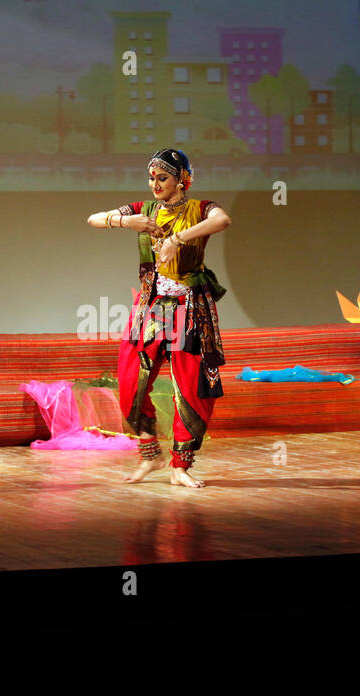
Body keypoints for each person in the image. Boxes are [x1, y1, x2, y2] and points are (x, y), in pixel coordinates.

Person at [85, 148, 232, 488]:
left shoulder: (199, 209)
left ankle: (180, 465)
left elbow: (223, 220)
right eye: (151, 177)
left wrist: (178, 239)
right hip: (150, 307)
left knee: (191, 387)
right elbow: (93, 218)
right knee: (129, 381)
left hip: (189, 306)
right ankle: (150, 454)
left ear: (182, 179)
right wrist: (124, 220)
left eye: (162, 177)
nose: (154, 184)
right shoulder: (144, 210)